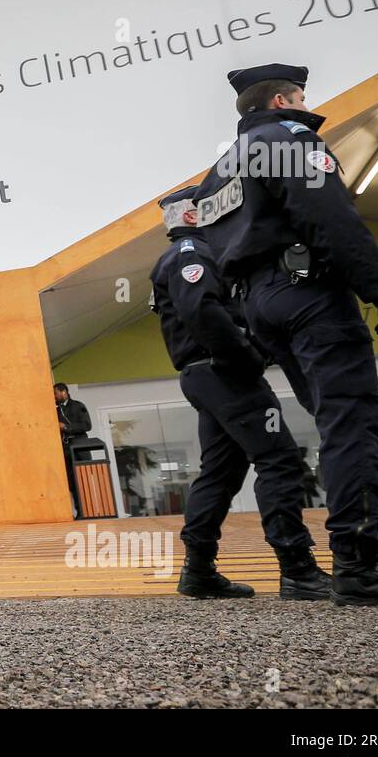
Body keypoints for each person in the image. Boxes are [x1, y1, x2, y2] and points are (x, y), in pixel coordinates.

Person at [191, 62, 378, 605]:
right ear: (286, 102)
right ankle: (363, 563)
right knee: (351, 420)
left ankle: (352, 560)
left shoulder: (219, 172)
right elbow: (331, 217)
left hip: (261, 302)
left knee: (334, 420)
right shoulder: (290, 140)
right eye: (303, 96)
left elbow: (215, 253)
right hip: (309, 292)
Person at [150, 188, 330, 600]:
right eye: (215, 207)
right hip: (225, 373)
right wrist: (248, 357)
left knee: (221, 472)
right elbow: (203, 311)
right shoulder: (192, 253)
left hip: (208, 375)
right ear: (194, 217)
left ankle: (198, 570)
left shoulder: (189, 253)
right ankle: (298, 569)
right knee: (280, 460)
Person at [54, 383, 90, 515]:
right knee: (72, 482)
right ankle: (80, 512)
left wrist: (66, 428)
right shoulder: (56, 410)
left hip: (80, 447)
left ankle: (88, 511)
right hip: (66, 448)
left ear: (64, 392)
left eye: (56, 393)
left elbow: (87, 425)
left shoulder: (78, 406)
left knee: (83, 479)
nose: (54, 396)